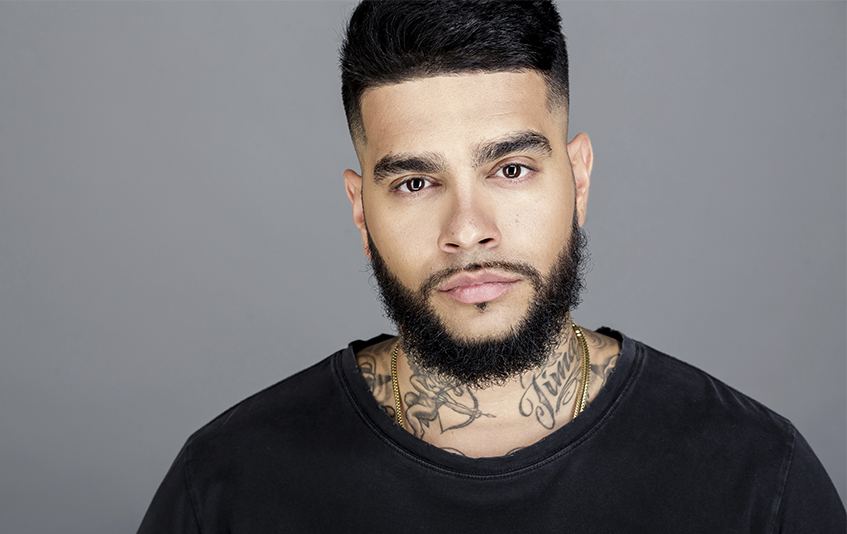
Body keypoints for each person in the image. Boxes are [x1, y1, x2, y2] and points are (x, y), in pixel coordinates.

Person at [138, 1, 845, 531]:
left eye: (510, 169)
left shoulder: (758, 474)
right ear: (360, 211)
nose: (467, 230)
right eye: (415, 182)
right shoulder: (227, 483)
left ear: (578, 180)